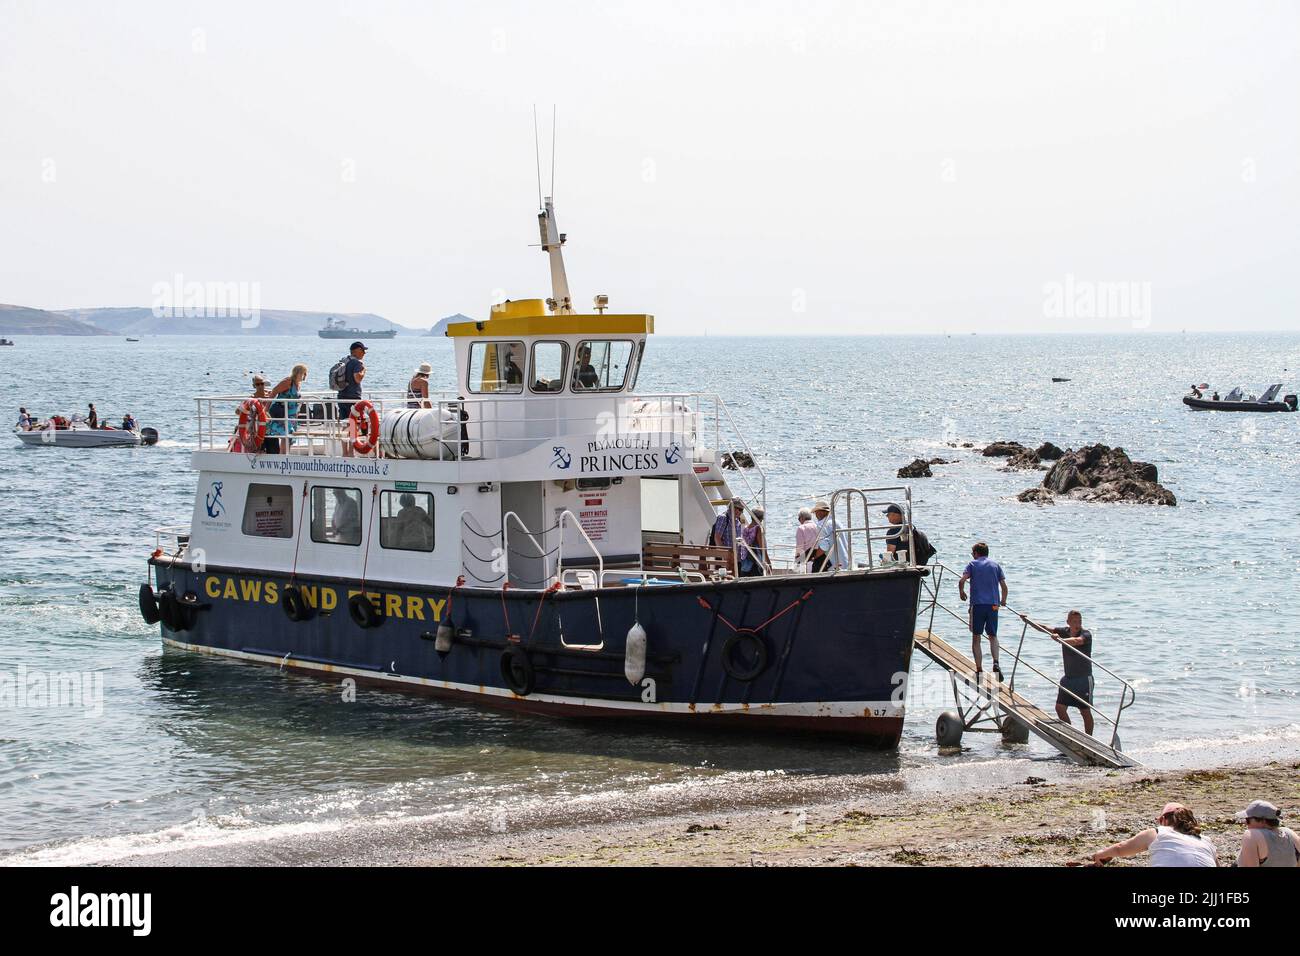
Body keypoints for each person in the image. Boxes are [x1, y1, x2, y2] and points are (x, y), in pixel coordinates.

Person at [1023, 609, 1095, 735]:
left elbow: (1077, 641)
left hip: (1083, 679)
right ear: (1068, 622)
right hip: (1068, 678)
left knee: (1084, 710)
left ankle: (1089, 738)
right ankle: (1071, 734)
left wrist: (1060, 640)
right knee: (1060, 708)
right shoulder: (1064, 631)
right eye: (1074, 621)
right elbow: (1045, 628)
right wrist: (1028, 621)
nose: (1077, 624)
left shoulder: (1086, 634)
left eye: (1079, 621)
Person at [1089, 803, 1216, 867]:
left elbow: (1120, 849)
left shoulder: (1158, 833)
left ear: (1164, 820)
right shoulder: (1205, 840)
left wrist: (1100, 854)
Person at [959, 542, 1007, 682]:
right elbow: (1004, 586)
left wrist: (961, 592)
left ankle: (979, 669)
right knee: (993, 636)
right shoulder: (995, 565)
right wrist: (1003, 600)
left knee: (976, 637)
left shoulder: (972, 564)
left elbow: (962, 580)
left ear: (976, 553)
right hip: (993, 605)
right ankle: (996, 662)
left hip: (978, 605)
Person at [1234, 800, 1299, 867]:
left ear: (1263, 821)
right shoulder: (1291, 834)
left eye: (1248, 820)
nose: (1245, 823)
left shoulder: (1252, 835)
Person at [263, 364, 307, 454]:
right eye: (303, 373)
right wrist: (266, 410)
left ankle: (286, 455)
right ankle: (283, 456)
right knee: (286, 434)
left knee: (290, 436)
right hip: (282, 413)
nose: (305, 376)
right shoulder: (288, 381)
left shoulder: (297, 384)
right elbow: (274, 392)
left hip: (292, 415)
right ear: (298, 373)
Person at [337, 341, 367, 420]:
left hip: (341, 396)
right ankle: (352, 432)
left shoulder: (344, 361)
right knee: (355, 421)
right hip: (353, 397)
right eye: (363, 350)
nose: (364, 353)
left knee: (345, 420)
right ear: (358, 350)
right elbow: (357, 379)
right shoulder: (356, 363)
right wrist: (363, 371)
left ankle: (348, 432)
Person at [811, 499, 840, 571]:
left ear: (820, 512)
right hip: (844, 562)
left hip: (833, 566)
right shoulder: (838, 522)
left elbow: (824, 547)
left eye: (815, 512)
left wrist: (814, 557)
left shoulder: (822, 525)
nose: (815, 515)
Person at [739, 507, 766, 577]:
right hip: (755, 562)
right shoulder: (758, 529)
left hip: (746, 562)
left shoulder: (745, 528)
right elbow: (762, 548)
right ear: (761, 518)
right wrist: (768, 562)